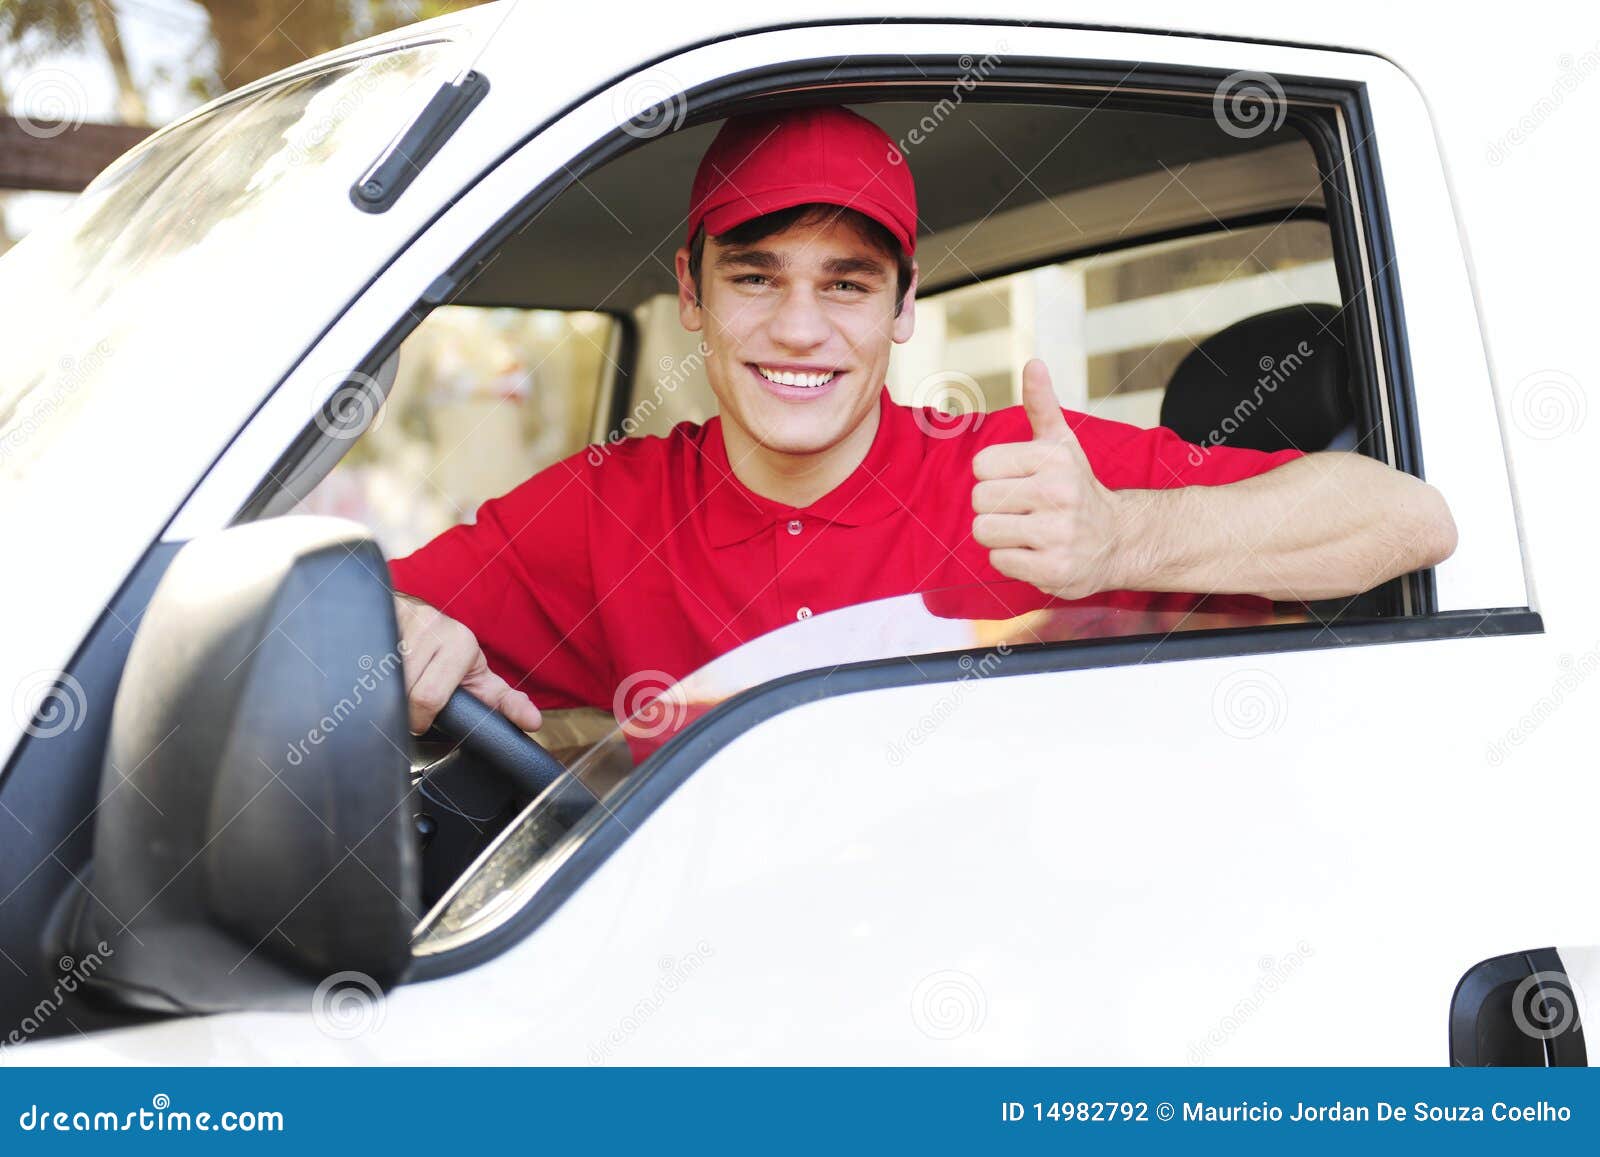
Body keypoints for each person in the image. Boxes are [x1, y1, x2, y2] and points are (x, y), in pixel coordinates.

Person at [388, 105, 1457, 735]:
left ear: (903, 307)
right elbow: (333, 629)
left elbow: (1409, 519)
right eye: (756, 277)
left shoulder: (1026, 473)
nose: (799, 328)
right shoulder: (605, 510)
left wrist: (1125, 537)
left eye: (846, 284)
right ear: (691, 293)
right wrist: (409, 637)